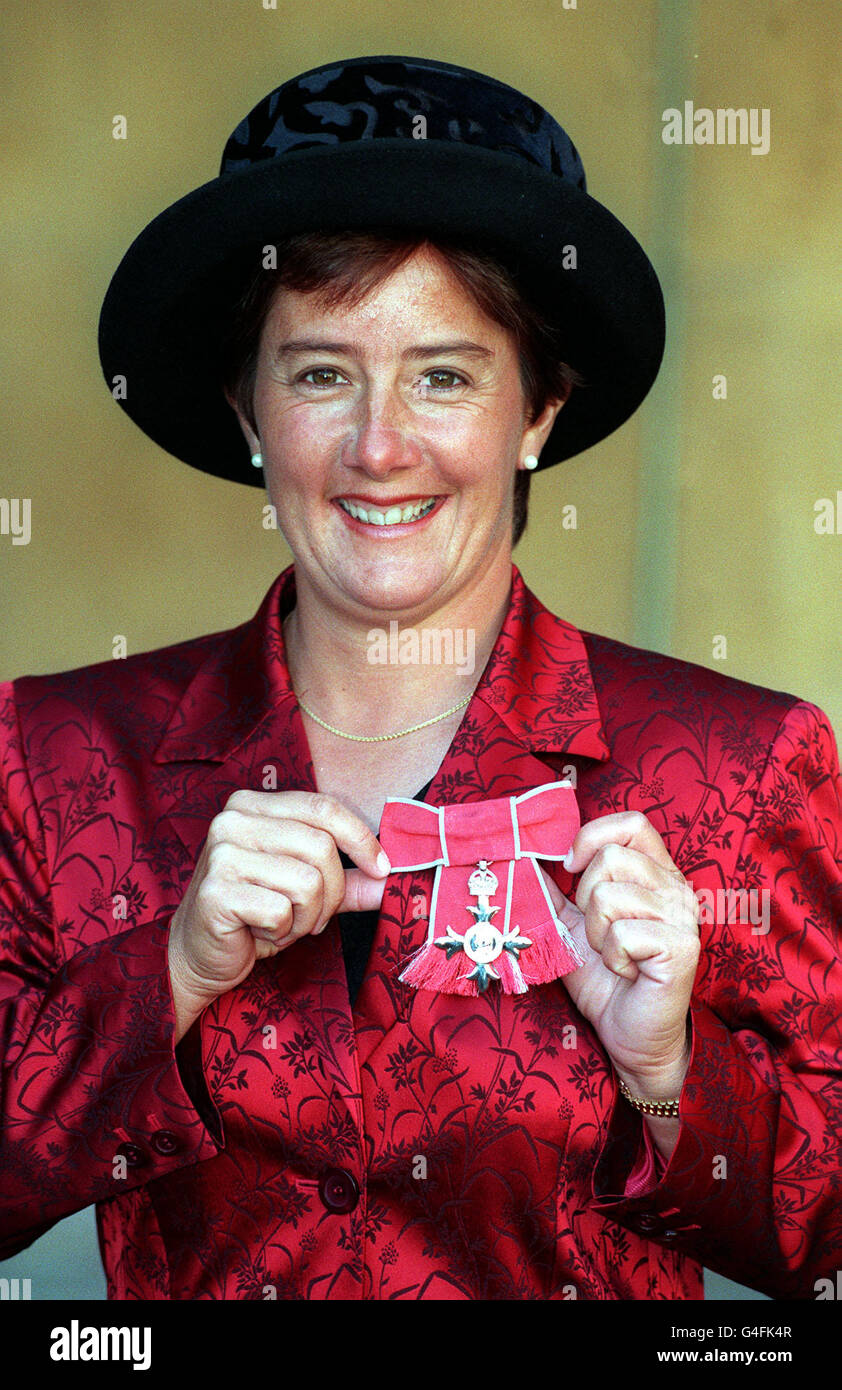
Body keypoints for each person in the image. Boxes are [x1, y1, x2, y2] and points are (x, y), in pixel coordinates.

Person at [1, 55, 840, 1302]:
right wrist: (166, 976)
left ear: (538, 411)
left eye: (443, 375)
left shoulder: (744, 760)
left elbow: (821, 1245)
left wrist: (666, 1067)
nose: (380, 446)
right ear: (247, 408)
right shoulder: (50, 751)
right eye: (320, 373)